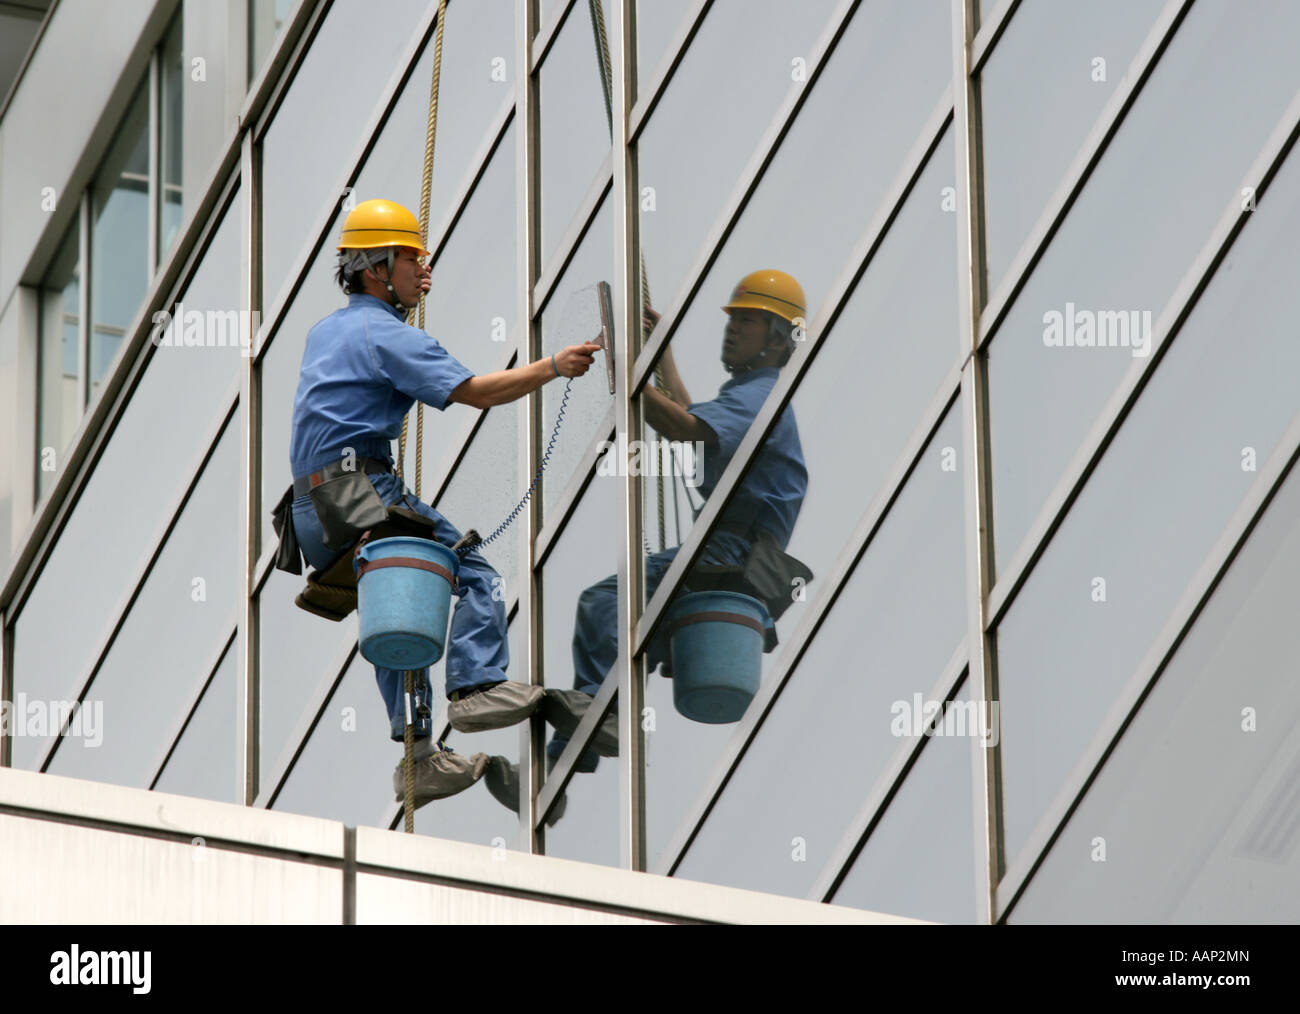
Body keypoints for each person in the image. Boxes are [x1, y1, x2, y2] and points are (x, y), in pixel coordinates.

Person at [284, 198, 601, 809]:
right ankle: (477, 685)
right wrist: (554, 366)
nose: (424, 273)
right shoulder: (385, 334)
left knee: (398, 608)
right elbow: (475, 391)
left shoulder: (327, 329)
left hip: (311, 512)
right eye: (411, 259)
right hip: (361, 492)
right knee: (472, 568)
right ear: (375, 267)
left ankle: (418, 755)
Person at [486, 269, 810, 809]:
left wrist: (625, 377)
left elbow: (683, 427)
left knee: (603, 604)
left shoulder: (764, 396)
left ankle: (601, 723)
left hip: (729, 554)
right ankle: (559, 770)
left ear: (778, 339)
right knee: (612, 615)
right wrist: (661, 361)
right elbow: (696, 418)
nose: (732, 332)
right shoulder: (753, 396)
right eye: (733, 321)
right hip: (733, 556)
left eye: (747, 322)